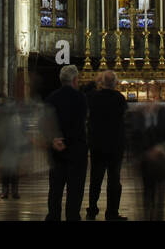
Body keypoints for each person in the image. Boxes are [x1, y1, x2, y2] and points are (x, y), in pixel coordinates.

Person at [42, 64, 89, 221]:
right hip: (76, 149)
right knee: (75, 189)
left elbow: (46, 122)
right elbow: (80, 123)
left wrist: (54, 140)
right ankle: (73, 216)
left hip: (56, 150)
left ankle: (53, 216)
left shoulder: (51, 97)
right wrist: (68, 141)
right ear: (75, 80)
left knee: (55, 188)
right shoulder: (81, 97)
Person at [85, 70, 128, 220]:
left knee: (95, 179)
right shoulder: (120, 99)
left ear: (102, 82)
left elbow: (85, 91)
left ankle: (92, 210)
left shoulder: (93, 97)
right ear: (116, 83)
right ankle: (112, 213)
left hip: (97, 144)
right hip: (115, 145)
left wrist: (95, 82)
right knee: (114, 180)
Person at [131, 91, 165, 221]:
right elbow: (133, 138)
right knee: (147, 192)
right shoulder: (138, 117)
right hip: (144, 162)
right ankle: (147, 215)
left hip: (163, 161)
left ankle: (158, 216)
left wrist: (161, 148)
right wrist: (141, 154)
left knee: (161, 196)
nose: (150, 102)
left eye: (153, 98)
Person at [0, 93, 28, 199]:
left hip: (9, 146)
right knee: (10, 170)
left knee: (9, 170)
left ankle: (7, 191)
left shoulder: (12, 116)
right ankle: (12, 191)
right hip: (9, 146)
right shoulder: (12, 116)